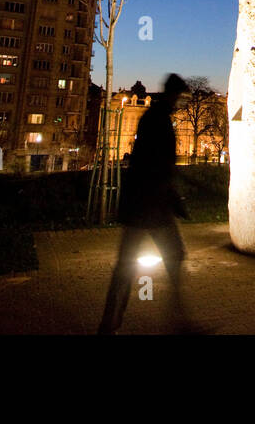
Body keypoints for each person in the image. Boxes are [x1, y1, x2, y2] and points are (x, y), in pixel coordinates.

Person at [98, 74, 202, 334]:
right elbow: (155, 166)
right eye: (181, 98)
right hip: (150, 206)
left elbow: (153, 165)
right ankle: (176, 323)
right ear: (172, 95)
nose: (182, 103)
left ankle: (110, 324)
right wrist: (171, 197)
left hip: (144, 205)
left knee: (128, 267)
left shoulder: (157, 118)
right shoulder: (158, 120)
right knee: (166, 258)